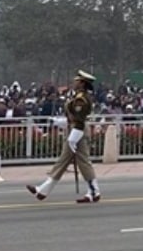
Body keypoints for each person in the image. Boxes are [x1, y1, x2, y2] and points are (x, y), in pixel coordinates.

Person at [26, 70, 101, 203]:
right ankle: (43, 190)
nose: (74, 82)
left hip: (78, 130)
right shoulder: (77, 96)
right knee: (68, 161)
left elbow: (79, 119)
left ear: (82, 83)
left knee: (79, 161)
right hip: (74, 129)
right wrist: (58, 122)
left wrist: (73, 138)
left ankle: (93, 191)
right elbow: (71, 117)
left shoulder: (81, 99)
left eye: (77, 81)